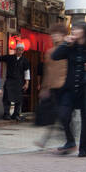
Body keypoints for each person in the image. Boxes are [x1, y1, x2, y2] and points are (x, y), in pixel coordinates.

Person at [51, 21, 86, 157]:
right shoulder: (70, 47)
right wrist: (65, 42)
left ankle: (85, 149)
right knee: (63, 114)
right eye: (73, 29)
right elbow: (55, 56)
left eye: (77, 29)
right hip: (70, 89)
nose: (74, 31)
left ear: (84, 31)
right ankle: (70, 141)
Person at [34, 22, 70, 150]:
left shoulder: (69, 49)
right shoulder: (49, 52)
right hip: (54, 87)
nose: (54, 37)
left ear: (64, 35)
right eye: (53, 34)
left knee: (62, 114)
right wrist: (44, 88)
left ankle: (60, 139)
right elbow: (47, 72)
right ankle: (51, 139)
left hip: (66, 87)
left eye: (58, 34)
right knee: (56, 115)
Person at [0, 47, 29, 120]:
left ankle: (16, 114)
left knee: (18, 98)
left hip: (19, 81)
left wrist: (27, 83)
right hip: (9, 80)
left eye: (22, 50)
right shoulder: (9, 57)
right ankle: (6, 114)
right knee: (6, 97)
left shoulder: (25, 60)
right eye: (19, 49)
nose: (20, 51)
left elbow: (27, 71)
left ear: (23, 51)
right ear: (16, 50)